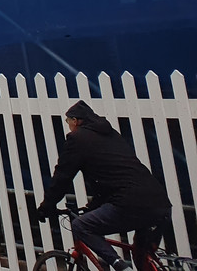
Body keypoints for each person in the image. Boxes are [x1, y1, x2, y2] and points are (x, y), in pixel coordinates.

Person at [35, 100, 171, 271]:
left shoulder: (77, 138)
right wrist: (92, 207)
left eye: (67, 121)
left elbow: (62, 176)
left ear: (75, 120)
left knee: (81, 226)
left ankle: (120, 266)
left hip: (130, 204)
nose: (68, 126)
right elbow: (111, 178)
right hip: (160, 203)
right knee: (142, 257)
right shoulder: (110, 134)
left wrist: (46, 206)